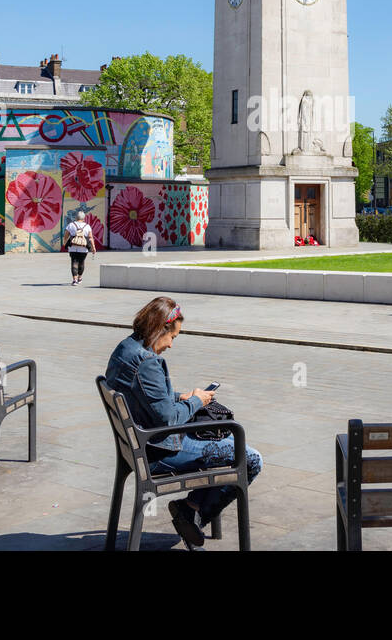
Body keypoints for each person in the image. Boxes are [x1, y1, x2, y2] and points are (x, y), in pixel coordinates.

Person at [103, 296, 263, 550]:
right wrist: (197, 401)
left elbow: (146, 396)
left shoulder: (126, 349)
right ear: (159, 329)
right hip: (158, 451)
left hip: (138, 446)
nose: (171, 345)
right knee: (249, 458)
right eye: (172, 337)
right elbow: (170, 418)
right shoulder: (147, 362)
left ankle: (191, 509)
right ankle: (191, 511)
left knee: (229, 441)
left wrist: (181, 396)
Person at [63, 209, 96, 287]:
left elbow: (66, 236)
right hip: (84, 248)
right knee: (81, 262)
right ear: (84, 218)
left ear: (76, 217)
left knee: (74, 262)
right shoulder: (87, 226)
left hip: (73, 247)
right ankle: (80, 278)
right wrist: (93, 247)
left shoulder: (71, 225)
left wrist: (65, 243)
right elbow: (91, 238)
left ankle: (74, 280)